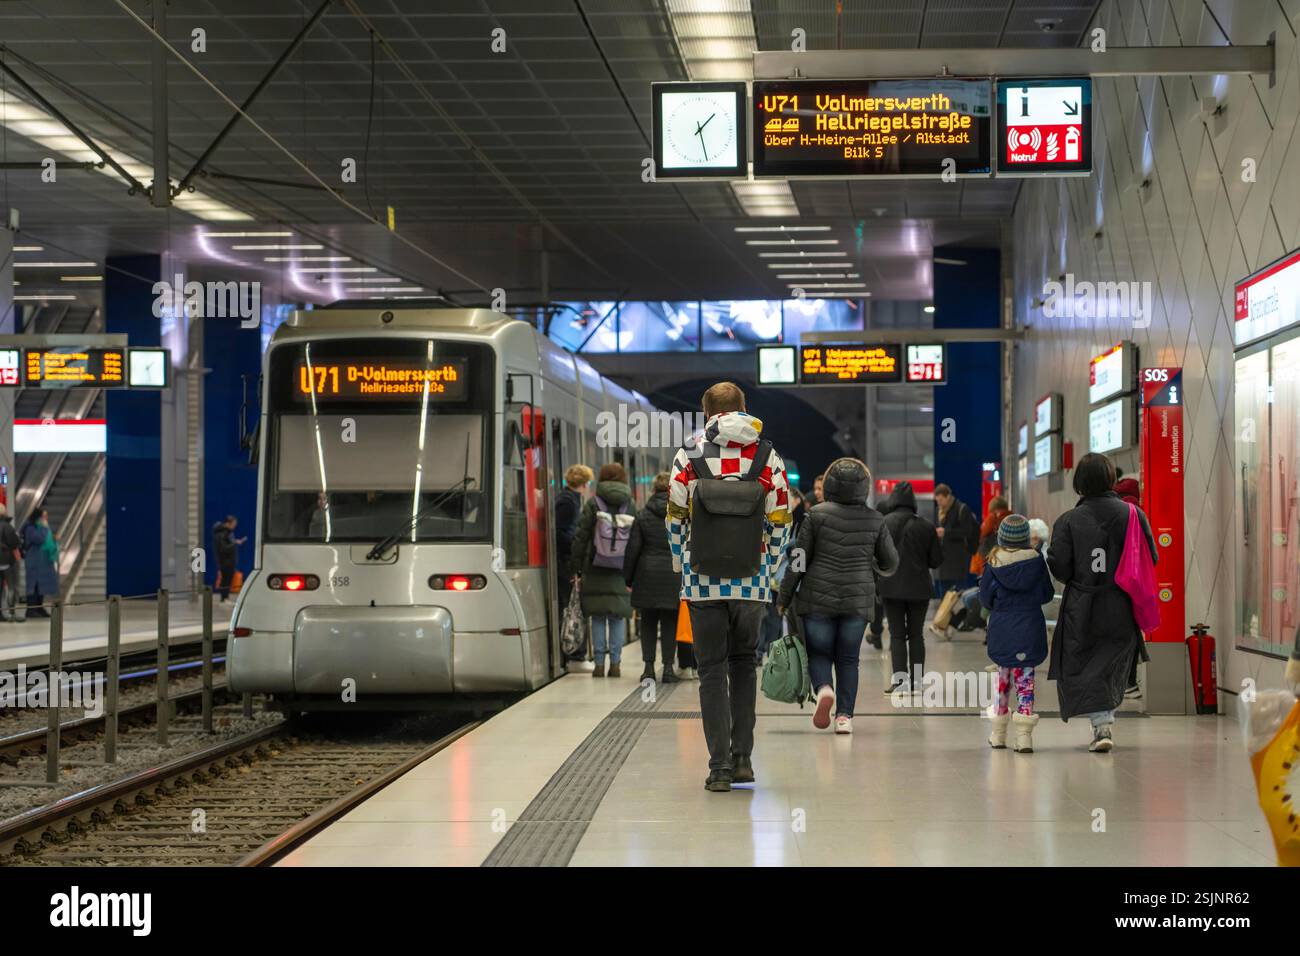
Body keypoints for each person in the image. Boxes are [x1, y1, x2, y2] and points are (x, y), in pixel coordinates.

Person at [667, 382, 791, 792]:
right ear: (743, 408)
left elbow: (675, 519)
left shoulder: (689, 454)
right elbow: (781, 520)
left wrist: (682, 563)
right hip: (751, 581)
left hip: (701, 581)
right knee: (742, 666)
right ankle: (743, 761)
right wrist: (768, 566)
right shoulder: (767, 455)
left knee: (710, 671)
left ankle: (718, 768)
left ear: (706, 414)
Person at [778, 458, 897, 733]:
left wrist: (784, 597)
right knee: (848, 659)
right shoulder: (875, 519)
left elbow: (798, 561)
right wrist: (872, 571)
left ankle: (823, 690)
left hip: (817, 599)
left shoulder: (815, 515)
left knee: (819, 653)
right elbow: (891, 562)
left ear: (830, 484)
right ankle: (844, 717)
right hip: (857, 601)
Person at [1047, 452, 1157, 752]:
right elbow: (1151, 558)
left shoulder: (1068, 520)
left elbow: (1059, 567)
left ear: (1079, 483)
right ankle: (1103, 722)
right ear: (1111, 479)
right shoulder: (1133, 515)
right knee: (1111, 661)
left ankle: (1101, 724)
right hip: (1121, 603)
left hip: (1081, 605)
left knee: (1084, 661)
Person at [980, 514, 1055, 753]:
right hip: (1029, 626)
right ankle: (1024, 738)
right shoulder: (1036, 562)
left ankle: (998, 734)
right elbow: (1046, 595)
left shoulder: (993, 562)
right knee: (1025, 681)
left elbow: (985, 599)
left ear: (1001, 537)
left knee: (1002, 680)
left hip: (1002, 627)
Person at [877, 480, 944, 694]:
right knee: (916, 635)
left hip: (891, 587)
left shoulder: (882, 523)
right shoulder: (926, 526)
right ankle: (916, 682)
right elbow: (936, 560)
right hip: (919, 589)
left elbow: (874, 557)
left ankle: (899, 682)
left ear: (893, 500)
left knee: (897, 635)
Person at [570, 462, 635, 678]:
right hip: (620, 568)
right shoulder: (630, 504)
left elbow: (581, 537)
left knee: (598, 616)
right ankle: (615, 664)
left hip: (595, 566)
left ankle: (598, 664)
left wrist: (577, 568)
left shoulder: (592, 503)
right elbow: (635, 540)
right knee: (616, 616)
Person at [624, 472, 680, 683]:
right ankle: (668, 669)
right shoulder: (679, 515)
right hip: (673, 575)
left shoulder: (642, 515)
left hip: (646, 575)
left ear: (653, 490)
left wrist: (628, 579)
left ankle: (648, 668)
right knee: (669, 623)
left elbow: (633, 550)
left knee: (647, 622)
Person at [555, 464, 591, 614]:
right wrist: (576, 544)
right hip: (564, 559)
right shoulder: (568, 502)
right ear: (583, 484)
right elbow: (560, 530)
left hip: (565, 557)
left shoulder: (568, 498)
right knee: (566, 599)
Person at [933, 483, 980, 597]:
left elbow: (967, 531)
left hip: (957, 559)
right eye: (937, 500)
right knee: (943, 593)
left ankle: (958, 614)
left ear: (948, 496)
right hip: (943, 560)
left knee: (958, 592)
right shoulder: (938, 511)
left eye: (940, 500)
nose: (938, 503)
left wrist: (946, 533)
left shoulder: (961, 509)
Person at [22, 508, 58, 617]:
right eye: (43, 516)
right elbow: (39, 539)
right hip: (34, 561)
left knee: (41, 586)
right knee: (33, 585)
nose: (45, 519)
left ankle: (39, 607)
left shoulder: (42, 527)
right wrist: (44, 528)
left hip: (43, 561)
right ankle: (31, 609)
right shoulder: (30, 528)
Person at [212, 515, 246, 602]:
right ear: (228, 523)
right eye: (233, 524)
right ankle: (224, 597)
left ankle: (225, 597)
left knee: (228, 579)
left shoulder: (228, 533)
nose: (234, 526)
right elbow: (224, 548)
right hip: (225, 561)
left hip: (229, 561)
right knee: (225, 579)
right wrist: (234, 543)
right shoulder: (222, 534)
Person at [0, 504, 21, 622]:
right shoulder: (7, 526)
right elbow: (14, 542)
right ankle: (12, 612)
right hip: (7, 560)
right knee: (11, 587)